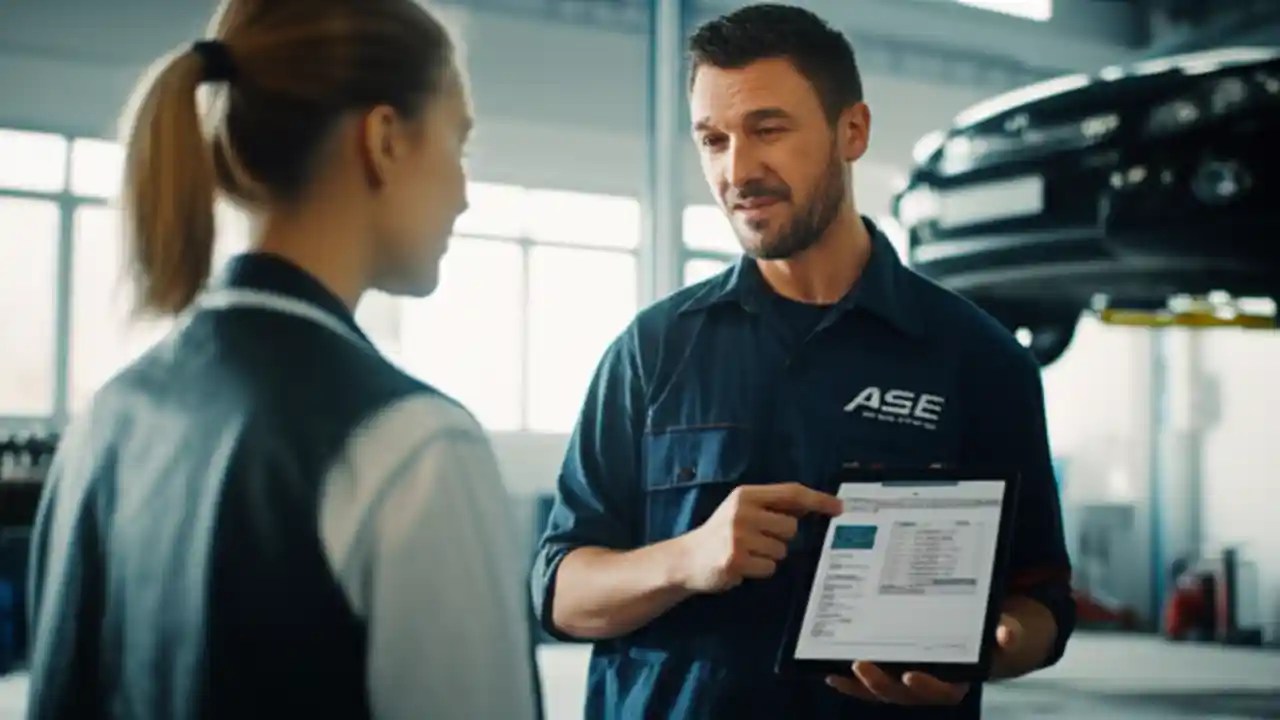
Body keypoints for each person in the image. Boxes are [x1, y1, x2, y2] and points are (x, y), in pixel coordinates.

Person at [531, 4, 1075, 718]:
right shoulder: (653, 350)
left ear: (852, 131)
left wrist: (988, 651)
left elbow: (1041, 599)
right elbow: (562, 594)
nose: (738, 170)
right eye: (712, 139)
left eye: (768, 129)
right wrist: (689, 558)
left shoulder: (980, 359)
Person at [24, 2, 540, 719]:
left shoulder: (107, 421)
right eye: (459, 143)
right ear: (385, 139)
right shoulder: (414, 448)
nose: (463, 194)